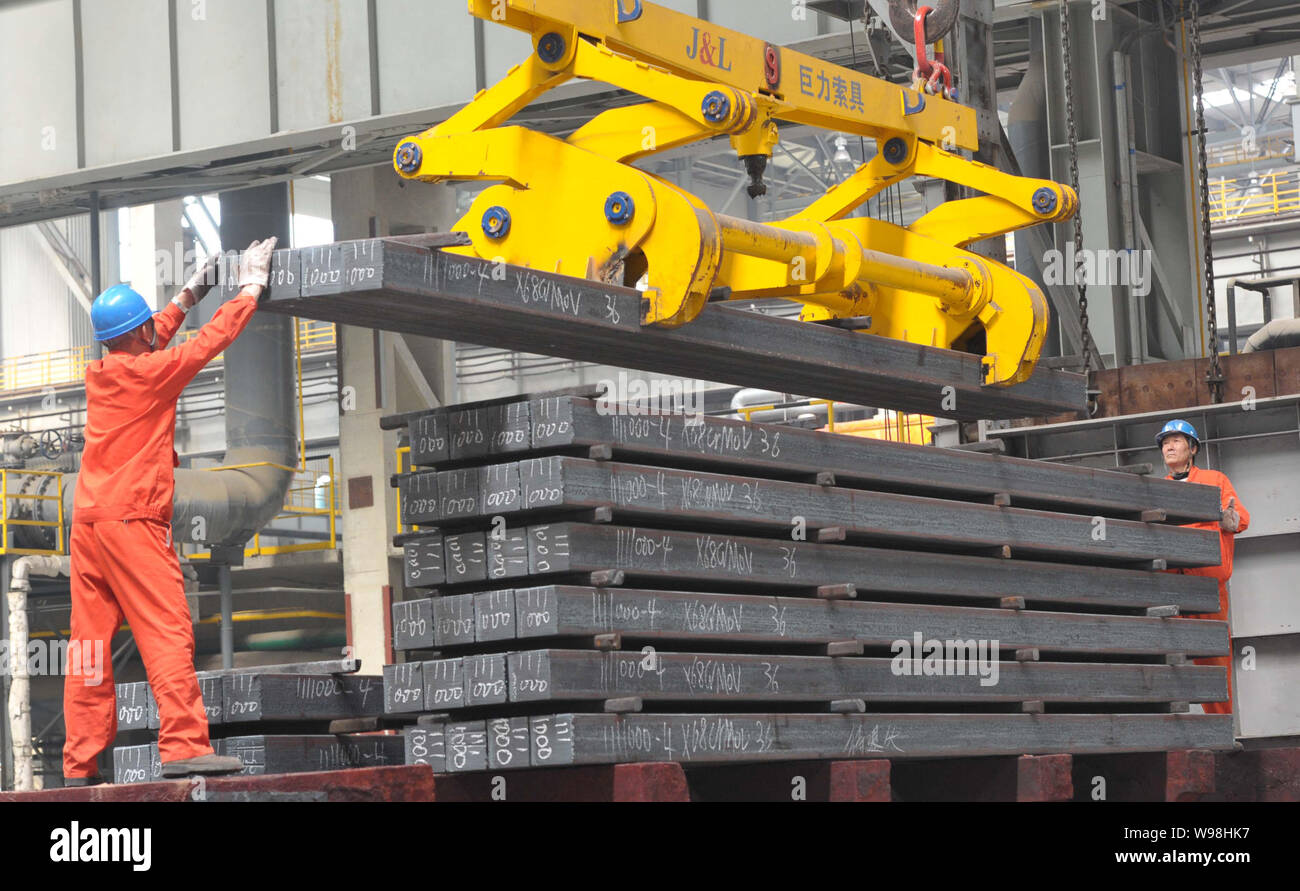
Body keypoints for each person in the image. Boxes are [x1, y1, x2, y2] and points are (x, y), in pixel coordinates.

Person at [63, 237, 278, 785]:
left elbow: (149, 335)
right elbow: (207, 343)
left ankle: (80, 764)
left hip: (88, 524)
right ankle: (183, 745)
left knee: (88, 645)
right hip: (133, 520)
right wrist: (249, 288)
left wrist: (189, 292)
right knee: (167, 629)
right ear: (137, 334)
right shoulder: (152, 374)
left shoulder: (105, 372)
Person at [1158, 419, 1249, 717]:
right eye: (1165, 442)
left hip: (1207, 587)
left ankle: (1220, 727)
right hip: (1168, 587)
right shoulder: (1156, 489)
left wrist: (1231, 520)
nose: (1169, 446)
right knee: (1162, 659)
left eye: (1176, 440)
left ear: (1193, 448)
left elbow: (1240, 517)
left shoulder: (1214, 480)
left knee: (1213, 661)